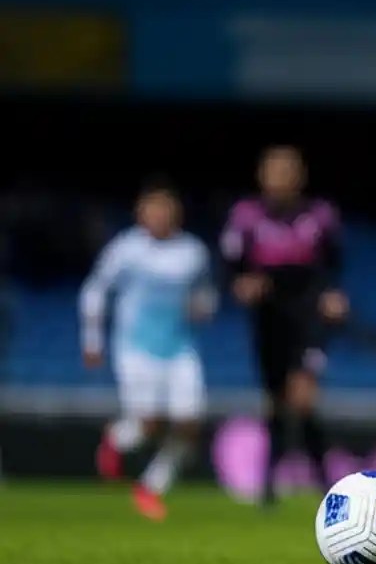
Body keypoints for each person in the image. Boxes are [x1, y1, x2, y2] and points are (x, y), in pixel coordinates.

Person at [82, 179, 217, 521]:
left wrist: (204, 308)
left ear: (177, 213)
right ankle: (116, 437)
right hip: (136, 347)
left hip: (180, 347)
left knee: (190, 424)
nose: (159, 215)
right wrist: (92, 340)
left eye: (165, 209)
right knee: (149, 424)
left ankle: (150, 487)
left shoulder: (192, 252)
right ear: (140, 213)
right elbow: (95, 290)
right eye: (152, 209)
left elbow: (206, 294)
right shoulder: (126, 249)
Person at [220, 145, 348, 506]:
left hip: (309, 316)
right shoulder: (245, 217)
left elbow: (335, 263)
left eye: (288, 170)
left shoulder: (320, 216)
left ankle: (326, 486)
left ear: (301, 176)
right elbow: (230, 266)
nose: (281, 178)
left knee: (303, 397)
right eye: (274, 170)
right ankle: (269, 485)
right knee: (276, 402)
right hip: (269, 318)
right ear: (261, 176)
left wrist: (334, 294)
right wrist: (241, 284)